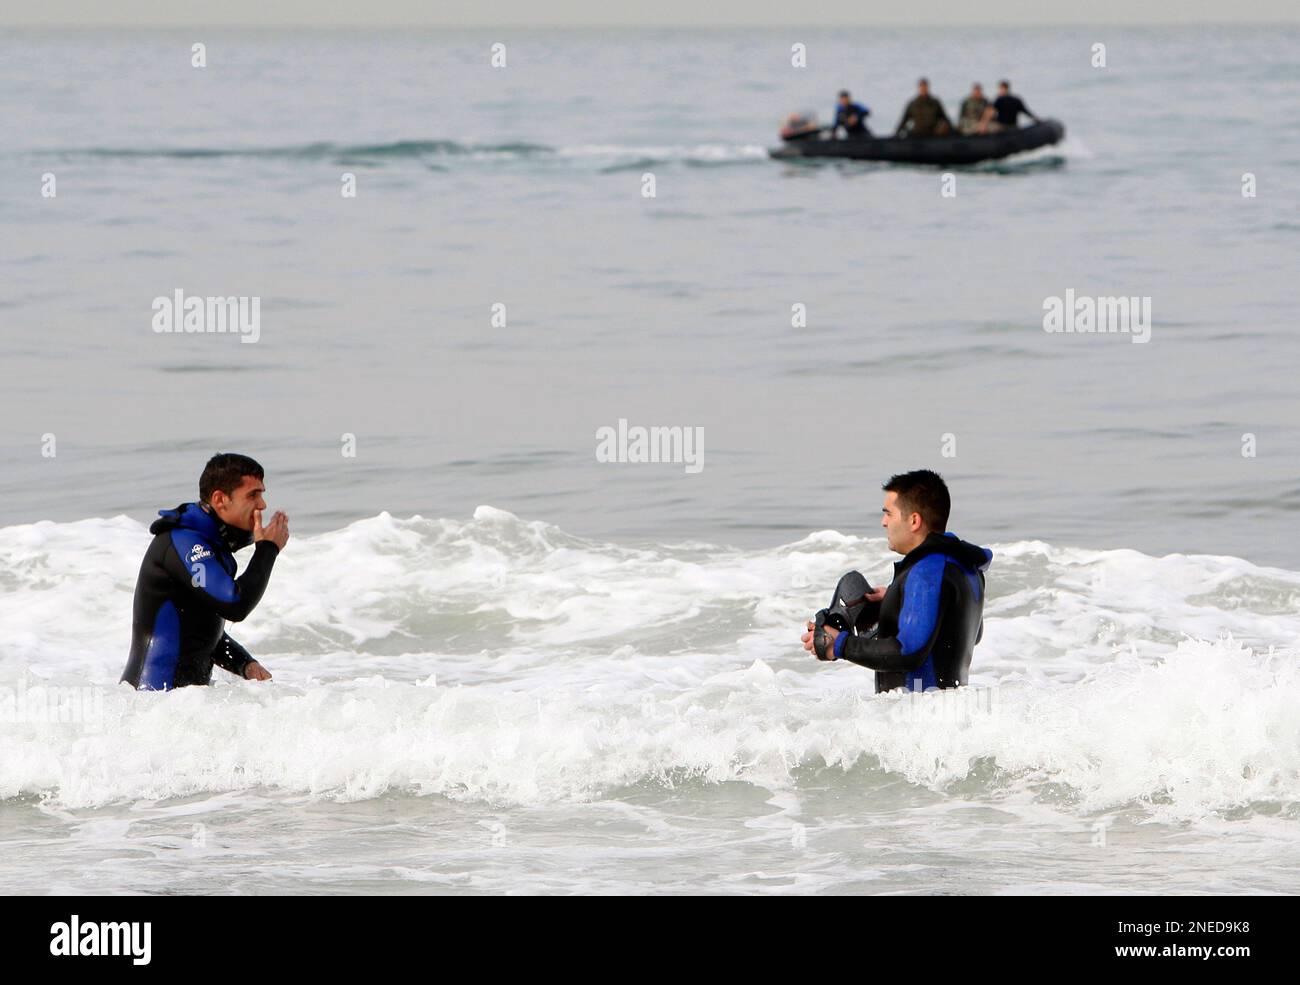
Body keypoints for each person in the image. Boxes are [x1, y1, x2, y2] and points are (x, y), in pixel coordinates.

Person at [800, 470, 992, 693]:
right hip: (944, 717)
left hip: (914, 718)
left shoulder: (926, 573)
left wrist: (839, 644)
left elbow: (908, 651)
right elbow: (965, 633)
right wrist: (898, 599)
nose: (883, 522)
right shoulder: (965, 566)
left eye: (888, 513)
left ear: (913, 520)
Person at [120, 453, 289, 690]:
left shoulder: (210, 545)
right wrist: (268, 549)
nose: (262, 505)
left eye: (262, 494)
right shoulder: (185, 543)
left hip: (178, 706)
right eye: (253, 495)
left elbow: (194, 630)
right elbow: (235, 604)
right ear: (220, 499)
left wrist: (244, 664)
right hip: (150, 701)